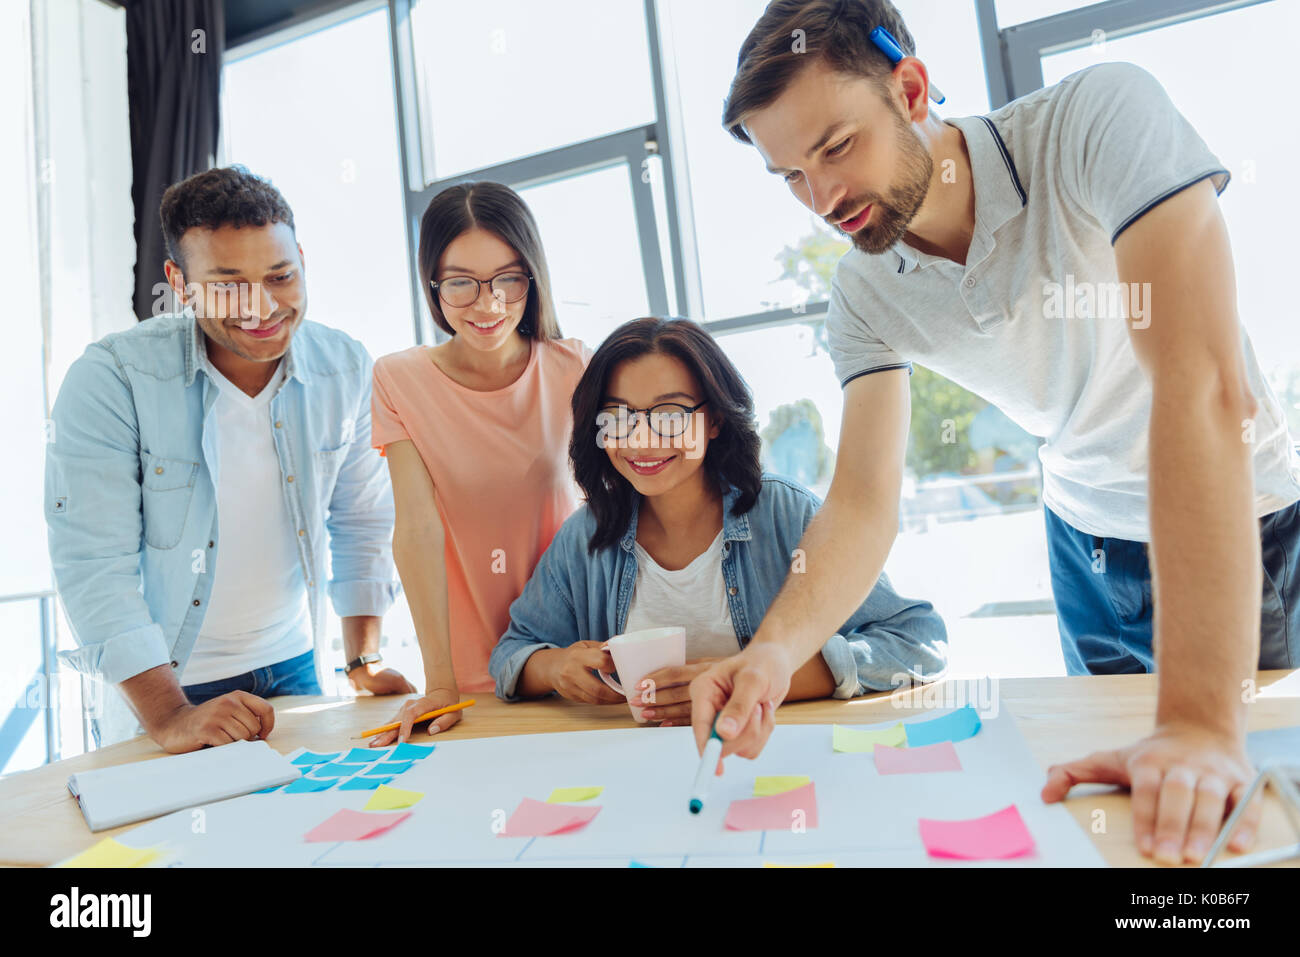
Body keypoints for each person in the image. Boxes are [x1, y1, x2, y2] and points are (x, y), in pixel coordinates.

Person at [690, 0, 1300, 865]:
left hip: (1239, 522)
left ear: (910, 88)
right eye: (790, 174)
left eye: (834, 148)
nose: (822, 199)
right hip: (1084, 543)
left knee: (1238, 816)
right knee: (1127, 824)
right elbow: (863, 502)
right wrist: (774, 652)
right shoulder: (865, 294)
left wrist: (1201, 721)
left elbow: (1201, 388)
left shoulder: (1097, 118)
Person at [45, 165, 413, 753]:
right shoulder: (112, 379)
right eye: (228, 283)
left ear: (301, 262)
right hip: (166, 684)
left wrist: (363, 658)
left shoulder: (344, 366)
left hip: (295, 667)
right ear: (179, 281)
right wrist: (169, 716)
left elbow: (361, 519)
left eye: (280, 275)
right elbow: (94, 564)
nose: (262, 306)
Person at [489, 317, 946, 714]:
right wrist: (553, 669)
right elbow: (514, 651)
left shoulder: (784, 513)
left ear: (715, 420)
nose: (641, 440)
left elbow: (918, 641)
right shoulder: (586, 537)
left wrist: (761, 678)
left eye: (669, 414)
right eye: (618, 416)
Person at [368, 182, 593, 746]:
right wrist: (439, 682)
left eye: (507, 280)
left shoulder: (574, 368)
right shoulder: (399, 379)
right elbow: (416, 530)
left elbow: (613, 511)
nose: (488, 305)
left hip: (573, 652)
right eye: (462, 284)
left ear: (532, 278)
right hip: (472, 672)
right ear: (433, 285)